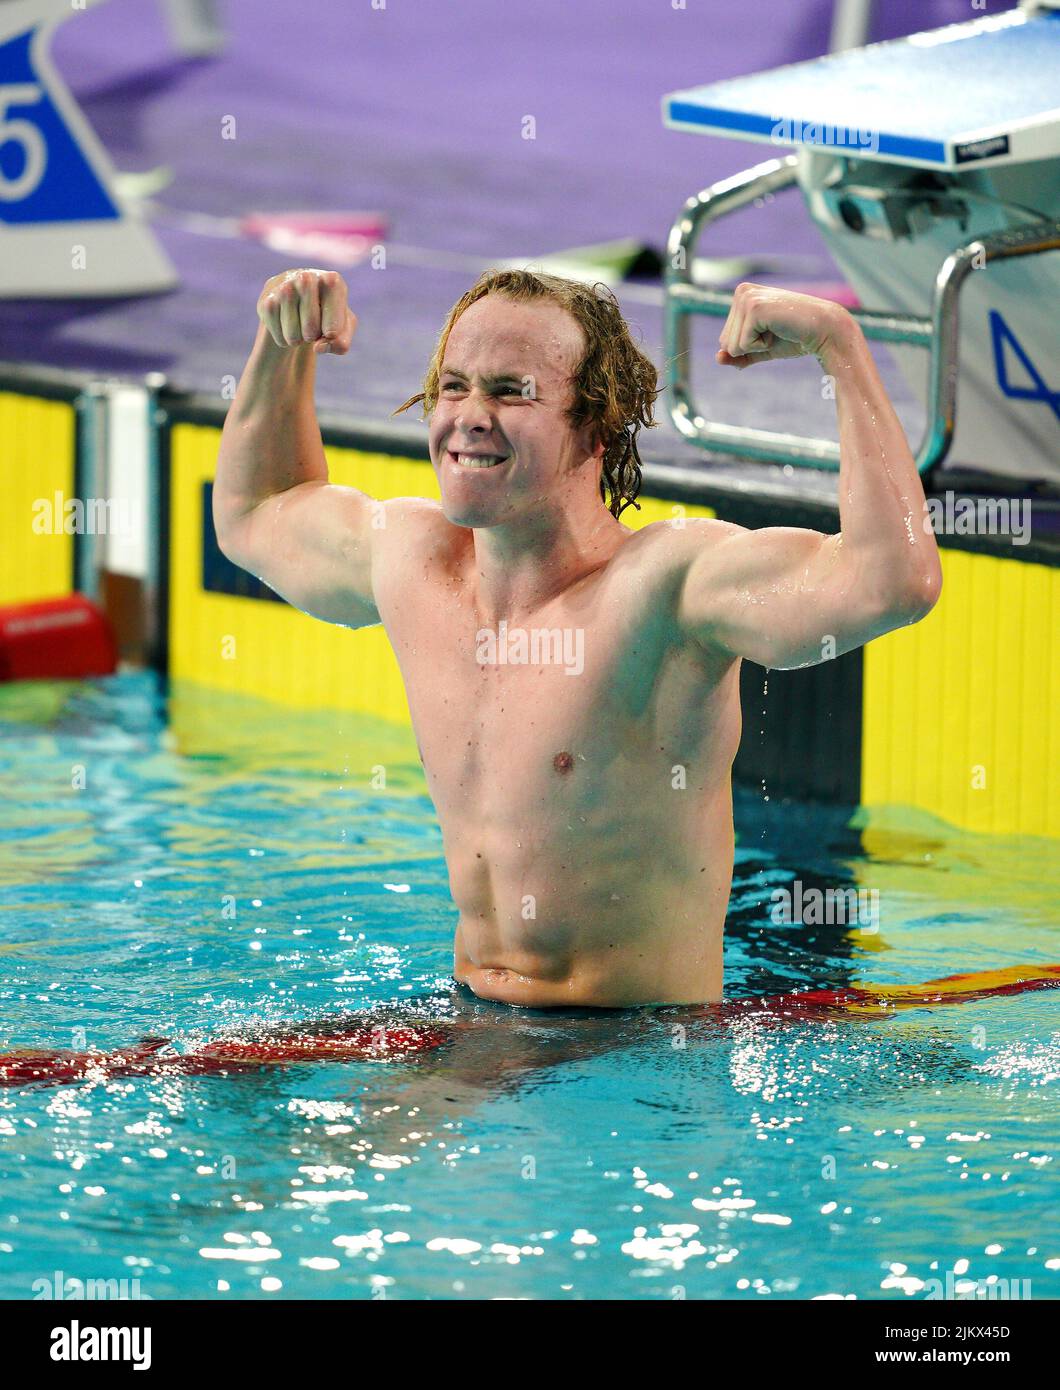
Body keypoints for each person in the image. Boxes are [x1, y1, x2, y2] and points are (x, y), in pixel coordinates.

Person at [211, 266, 942, 1009]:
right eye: (455, 386)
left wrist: (840, 349)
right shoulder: (411, 561)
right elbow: (257, 511)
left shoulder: (668, 586)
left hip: (634, 1063)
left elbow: (892, 584)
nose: (469, 415)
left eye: (510, 391)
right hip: (474, 1021)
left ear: (595, 428)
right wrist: (282, 343)